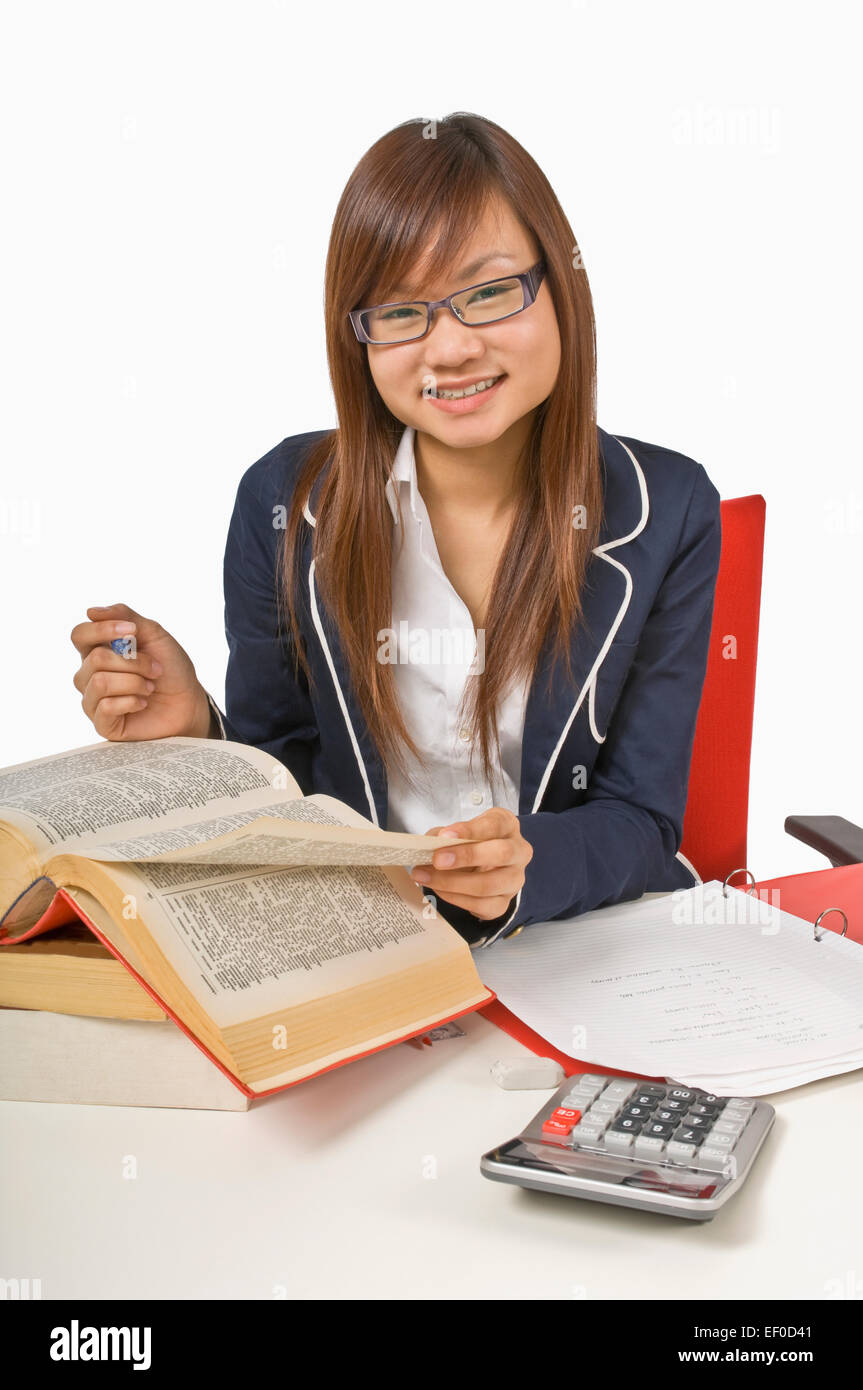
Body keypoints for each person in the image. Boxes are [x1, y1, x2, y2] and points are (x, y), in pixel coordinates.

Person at [70, 112, 721, 950]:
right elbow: (289, 784)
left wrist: (529, 865)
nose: (447, 349)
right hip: (367, 945)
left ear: (560, 283)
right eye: (400, 312)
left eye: (488, 292)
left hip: (579, 946)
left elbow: (639, 814)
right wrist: (198, 730)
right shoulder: (285, 502)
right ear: (358, 335)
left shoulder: (663, 504)